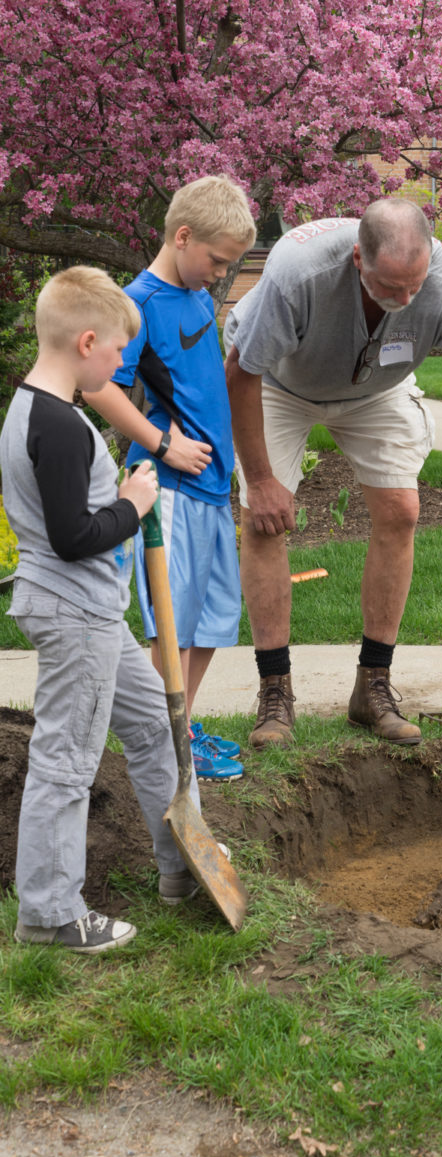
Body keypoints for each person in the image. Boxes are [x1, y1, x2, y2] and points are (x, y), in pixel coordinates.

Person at [223, 197, 442, 749]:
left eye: (413, 286)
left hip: (378, 389)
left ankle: (372, 687)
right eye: (389, 287)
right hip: (278, 385)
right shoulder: (297, 273)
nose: (404, 301)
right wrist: (261, 479)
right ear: (358, 260)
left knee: (401, 511)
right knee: (264, 521)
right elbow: (241, 372)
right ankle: (275, 692)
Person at [0, 267, 216, 953]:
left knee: (156, 723)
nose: (124, 362)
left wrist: (119, 495)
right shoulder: (59, 425)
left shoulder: (36, 408)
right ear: (86, 341)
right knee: (67, 758)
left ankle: (182, 868)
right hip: (75, 611)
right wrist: (135, 506)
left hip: (88, 609)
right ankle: (50, 913)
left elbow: (68, 516)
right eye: (118, 350)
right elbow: (73, 538)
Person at [83, 175, 257, 779]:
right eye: (216, 259)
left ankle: (178, 728)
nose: (219, 272)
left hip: (211, 487)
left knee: (210, 619)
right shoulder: (141, 304)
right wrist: (162, 443)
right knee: (175, 623)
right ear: (183, 237)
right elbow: (96, 384)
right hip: (174, 489)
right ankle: (158, 747)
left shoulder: (199, 297)